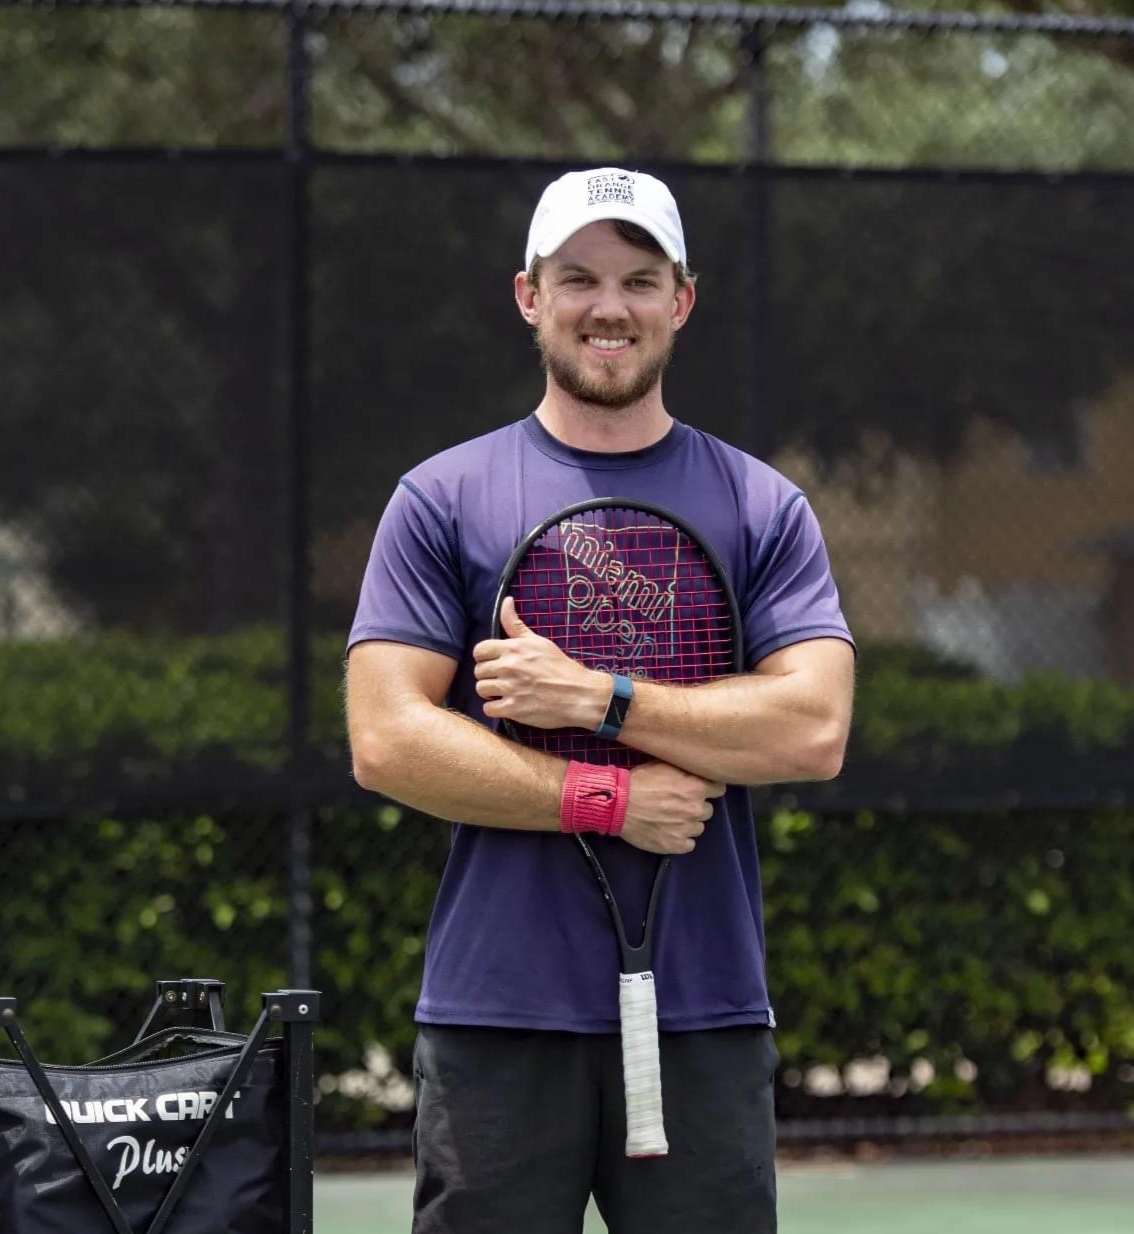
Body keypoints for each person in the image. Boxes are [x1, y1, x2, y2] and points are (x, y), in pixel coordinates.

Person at [346, 167, 855, 1234]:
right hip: (497, 1017)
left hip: (704, 1014)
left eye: (638, 279)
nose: (607, 306)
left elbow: (813, 727)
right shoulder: (441, 498)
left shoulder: (762, 505)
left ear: (682, 300)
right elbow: (386, 738)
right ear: (529, 295)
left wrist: (598, 698)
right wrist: (607, 801)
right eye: (577, 277)